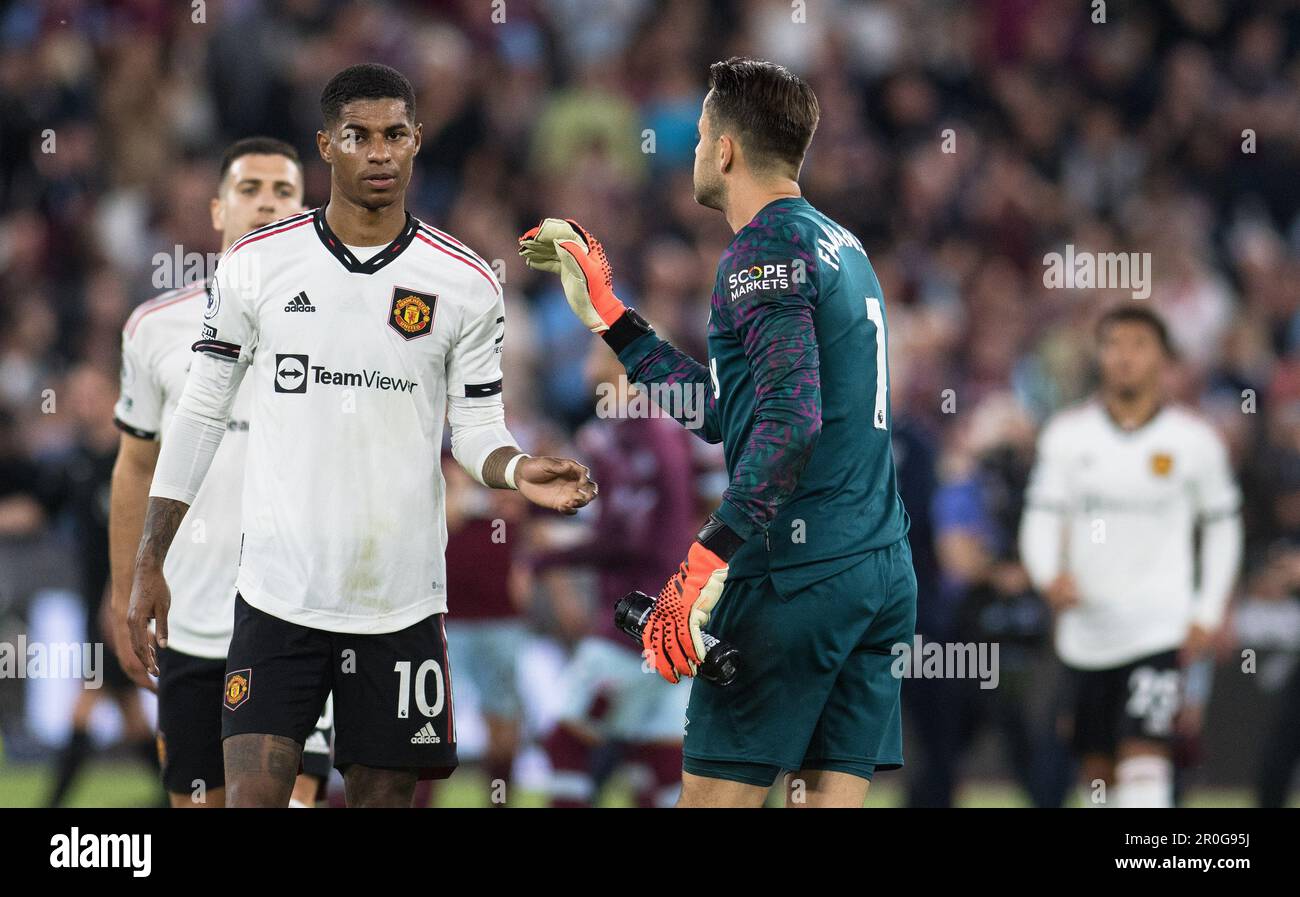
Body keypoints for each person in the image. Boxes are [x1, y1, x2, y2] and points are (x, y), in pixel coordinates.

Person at [127, 63, 596, 808]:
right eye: (359, 136)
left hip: (400, 603)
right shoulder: (256, 266)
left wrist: (514, 468)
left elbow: (475, 428)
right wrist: (151, 558)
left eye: (395, 135)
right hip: (278, 596)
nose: (379, 152)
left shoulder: (467, 282)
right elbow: (200, 415)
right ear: (327, 146)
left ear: (416, 144)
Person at [520, 57, 915, 808]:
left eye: (700, 134)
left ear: (725, 150)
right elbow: (726, 411)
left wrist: (702, 563)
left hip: (801, 569)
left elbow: (789, 425)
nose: (695, 150)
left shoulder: (760, 251)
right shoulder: (844, 246)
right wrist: (612, 315)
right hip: (876, 567)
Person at [110, 137, 333, 808]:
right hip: (193, 620)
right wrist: (128, 585)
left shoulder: (339, 326)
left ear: (306, 211)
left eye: (284, 192)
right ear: (217, 210)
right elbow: (135, 465)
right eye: (250, 189)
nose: (267, 202)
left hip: (301, 614)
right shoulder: (154, 328)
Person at [1019, 305, 1243, 807]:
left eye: (1139, 345)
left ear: (1164, 359)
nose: (1124, 357)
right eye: (1114, 344)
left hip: (1159, 626)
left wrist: (1207, 611)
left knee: (1146, 753)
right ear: (1098, 354)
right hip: (1087, 629)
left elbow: (1224, 528)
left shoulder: (1195, 441)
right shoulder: (1067, 436)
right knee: (1097, 768)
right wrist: (1046, 575)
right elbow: (1041, 515)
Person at [535, 341, 697, 808]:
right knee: (661, 758)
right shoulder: (674, 430)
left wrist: (545, 558)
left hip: (634, 621)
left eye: (593, 356)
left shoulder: (629, 435)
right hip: (677, 617)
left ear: (616, 369)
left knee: (565, 741)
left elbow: (627, 540)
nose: (585, 366)